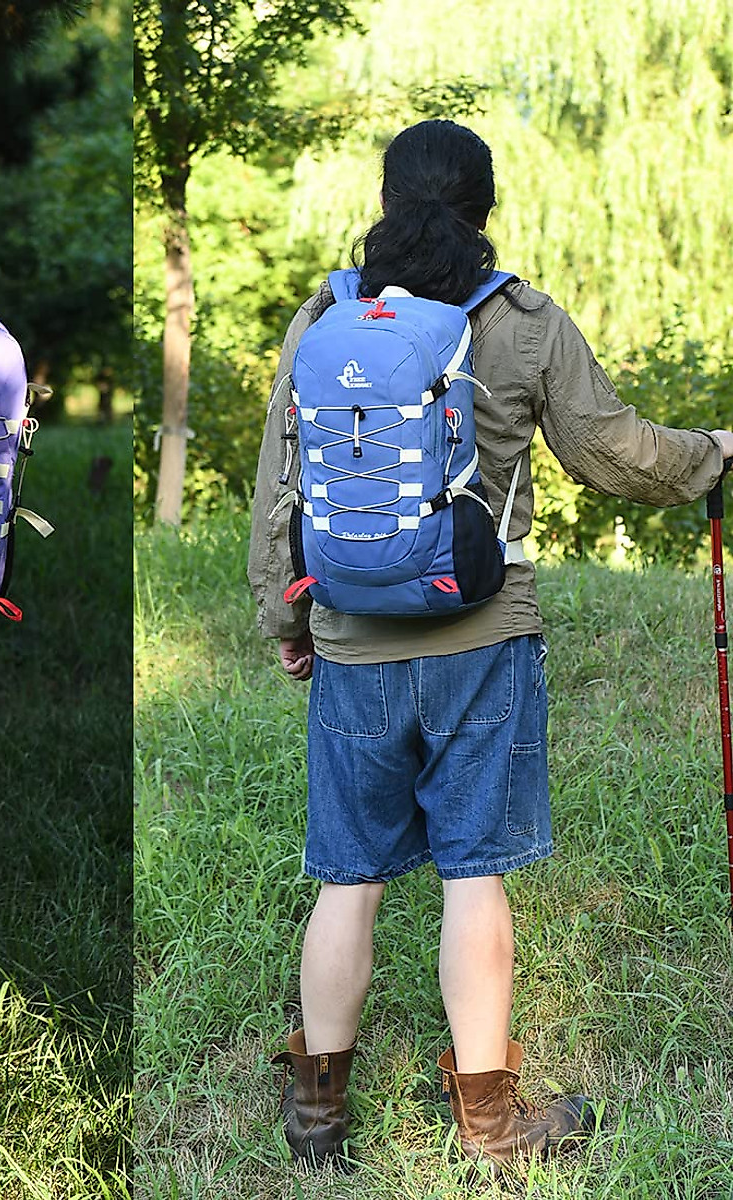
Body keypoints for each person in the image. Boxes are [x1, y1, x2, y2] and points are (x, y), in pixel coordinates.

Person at [247, 118, 733, 1172]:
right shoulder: (520, 320)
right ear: (485, 211)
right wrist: (711, 454)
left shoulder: (324, 318)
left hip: (353, 640)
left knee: (349, 877)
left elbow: (281, 484)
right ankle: (489, 1125)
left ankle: (319, 1116)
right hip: (484, 638)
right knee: (474, 874)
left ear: (386, 201)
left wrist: (288, 617)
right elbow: (612, 452)